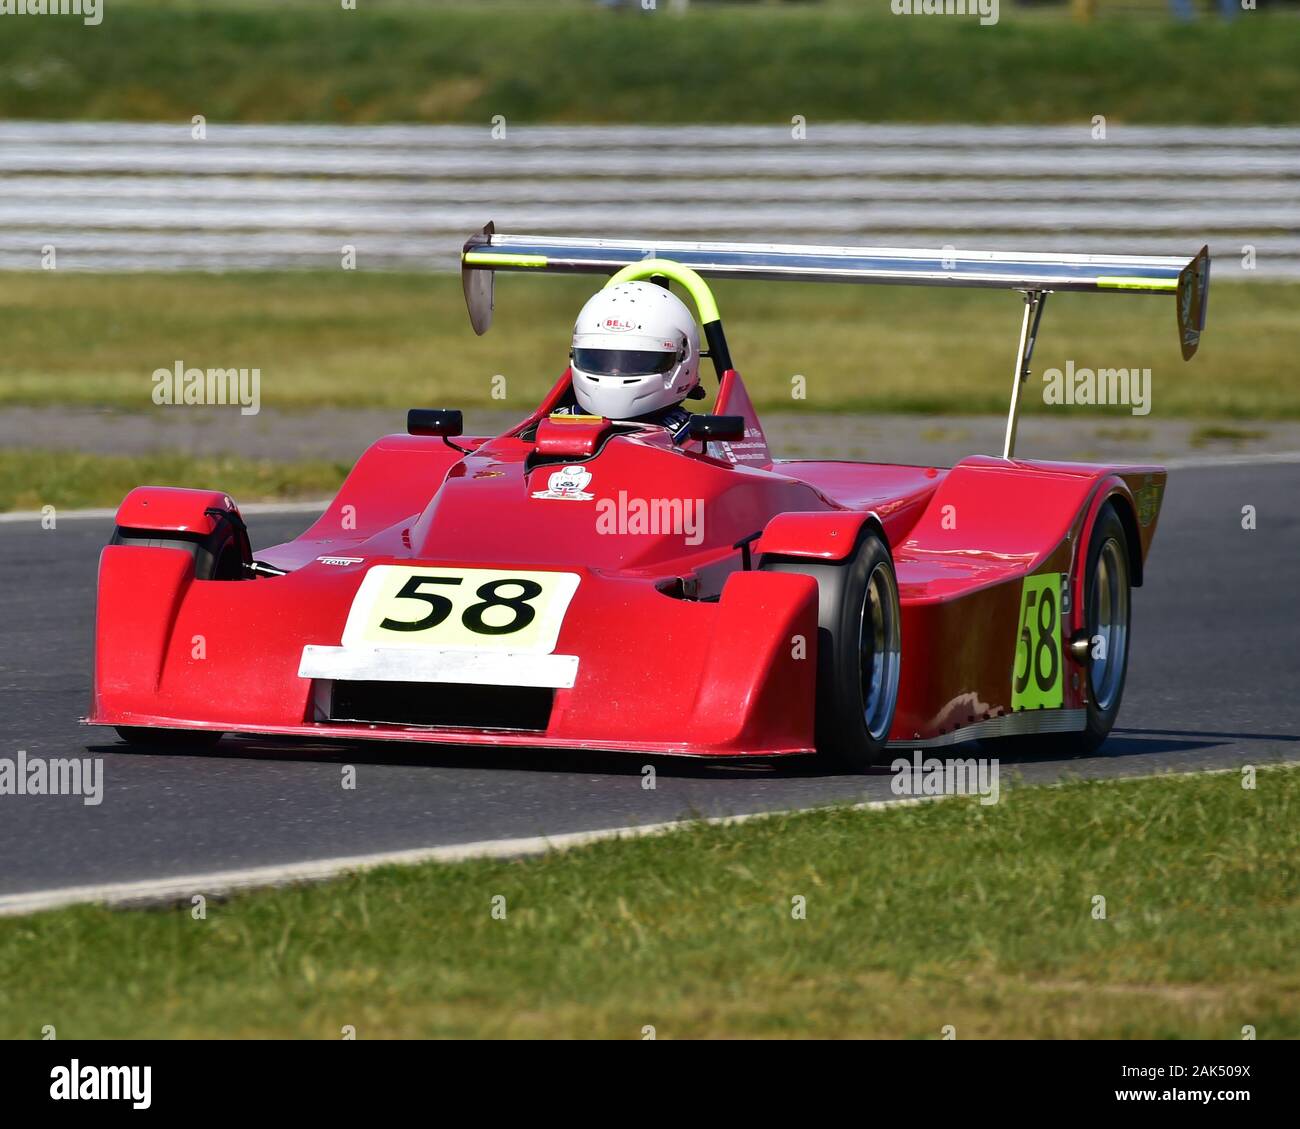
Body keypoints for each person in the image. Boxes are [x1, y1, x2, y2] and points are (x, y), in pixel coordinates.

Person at [557, 280, 701, 435]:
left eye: (636, 361)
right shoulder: (552, 425)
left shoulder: (698, 437)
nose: (615, 371)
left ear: (683, 357)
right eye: (599, 359)